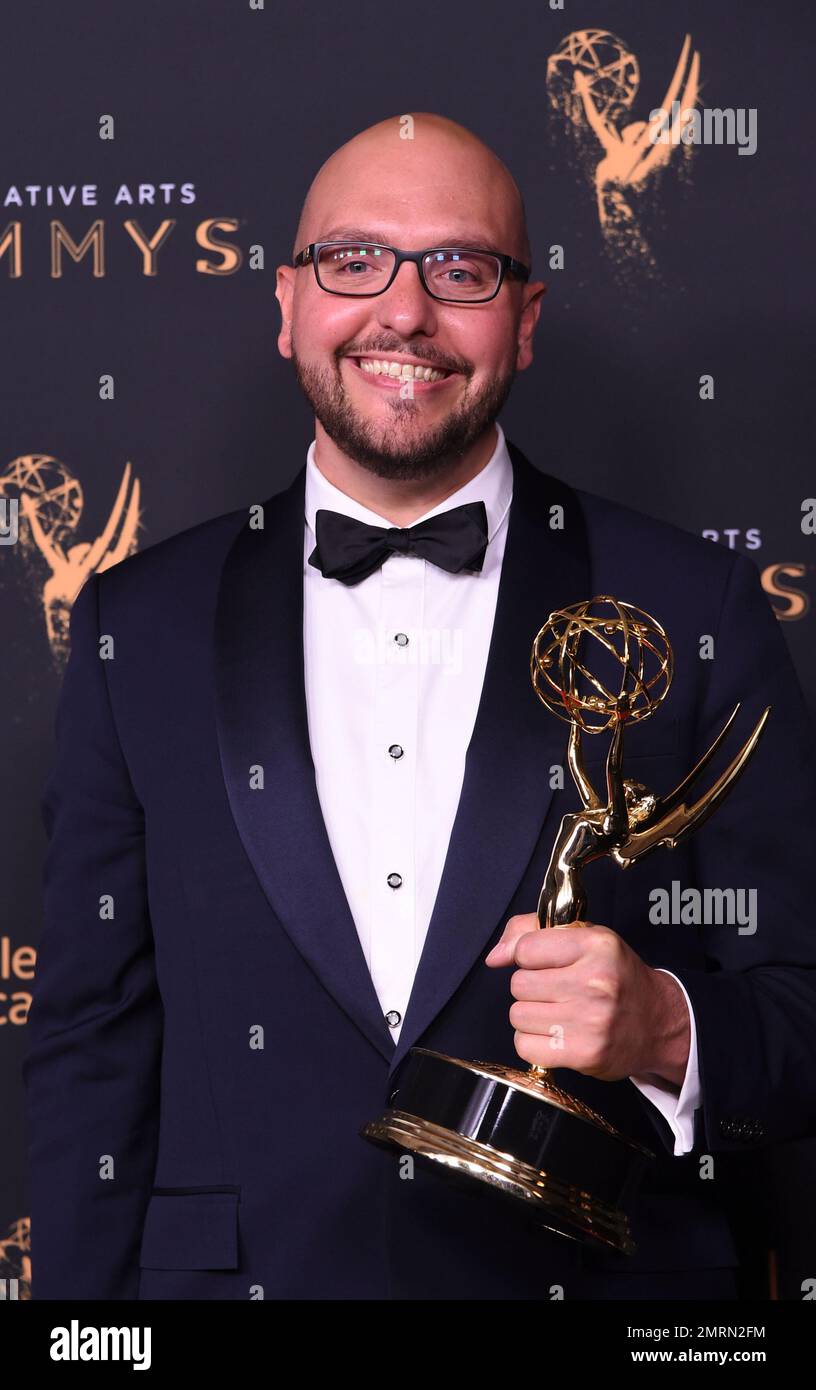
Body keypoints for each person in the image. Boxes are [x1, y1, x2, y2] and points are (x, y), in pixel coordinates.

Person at [22, 112, 816, 1301]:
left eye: (461, 268)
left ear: (526, 319)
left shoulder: (690, 606)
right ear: (287, 300)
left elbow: (803, 1011)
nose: (404, 312)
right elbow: (89, 1042)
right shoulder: (140, 621)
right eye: (355, 261)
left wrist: (662, 1025)